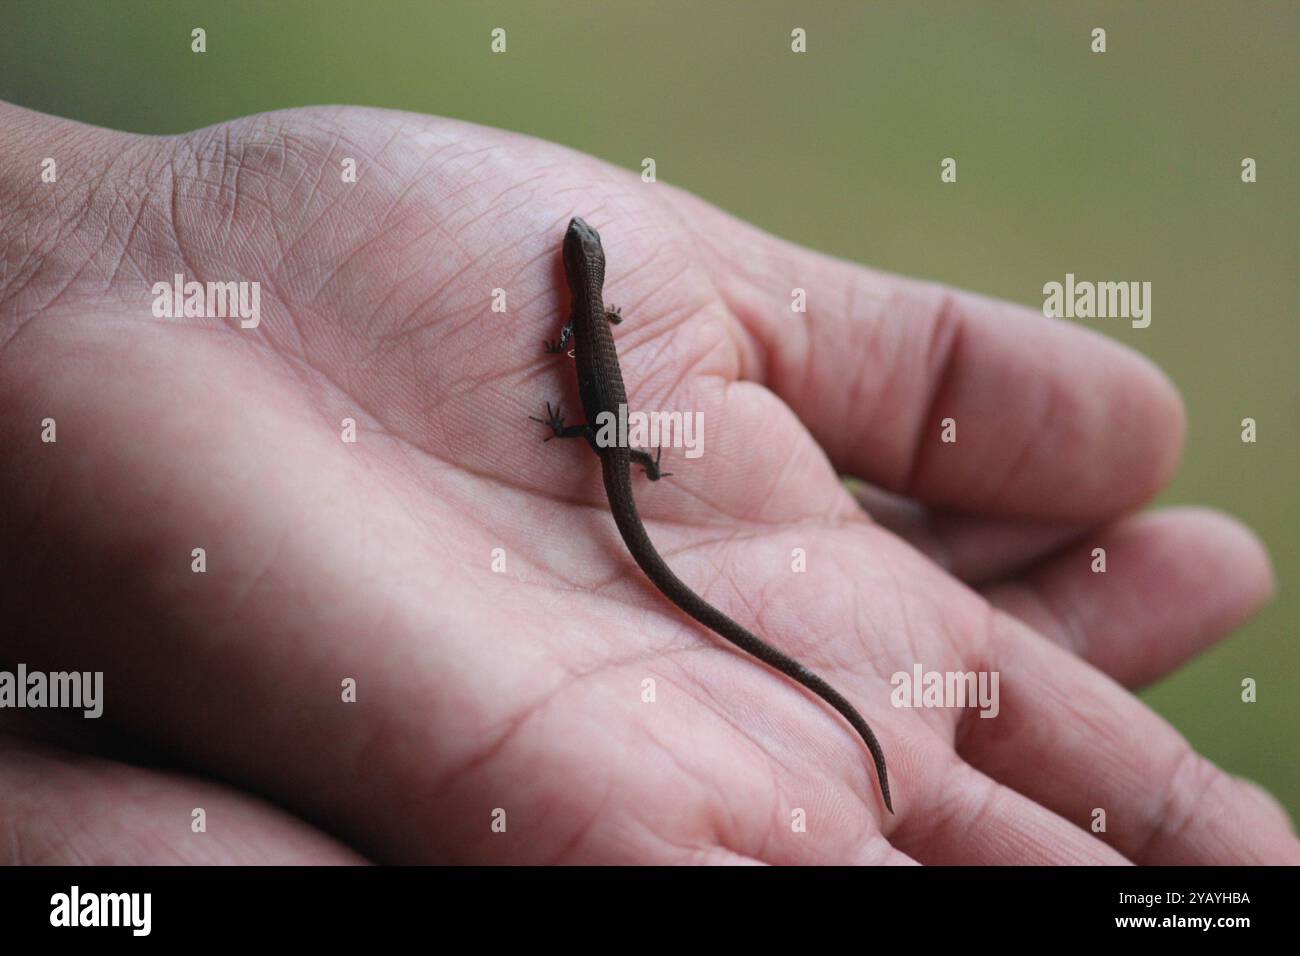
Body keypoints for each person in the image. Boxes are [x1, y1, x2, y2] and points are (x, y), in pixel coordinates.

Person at [0, 102, 1292, 864]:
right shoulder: (589, 312)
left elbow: (579, 356)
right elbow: (583, 350)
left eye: (580, 257)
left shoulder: (582, 321)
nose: (580, 256)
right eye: (582, 257)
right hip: (609, 450)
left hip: (607, 449)